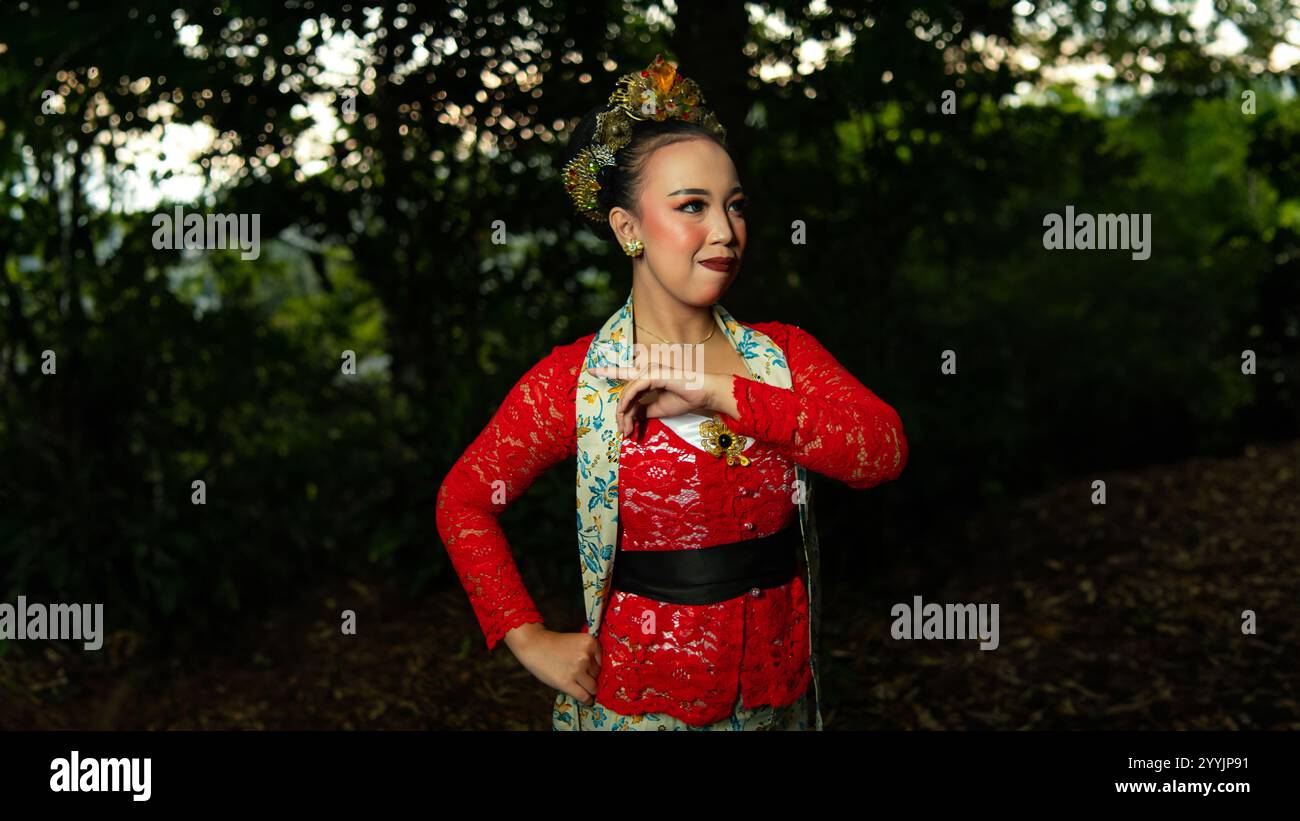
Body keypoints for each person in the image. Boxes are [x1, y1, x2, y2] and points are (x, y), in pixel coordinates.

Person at [435, 54, 908, 730]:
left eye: (734, 205)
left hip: (781, 705)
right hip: (640, 707)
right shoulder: (575, 380)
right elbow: (464, 501)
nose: (724, 231)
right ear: (629, 229)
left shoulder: (785, 355)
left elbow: (882, 452)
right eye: (692, 206)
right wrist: (526, 635)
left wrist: (717, 390)